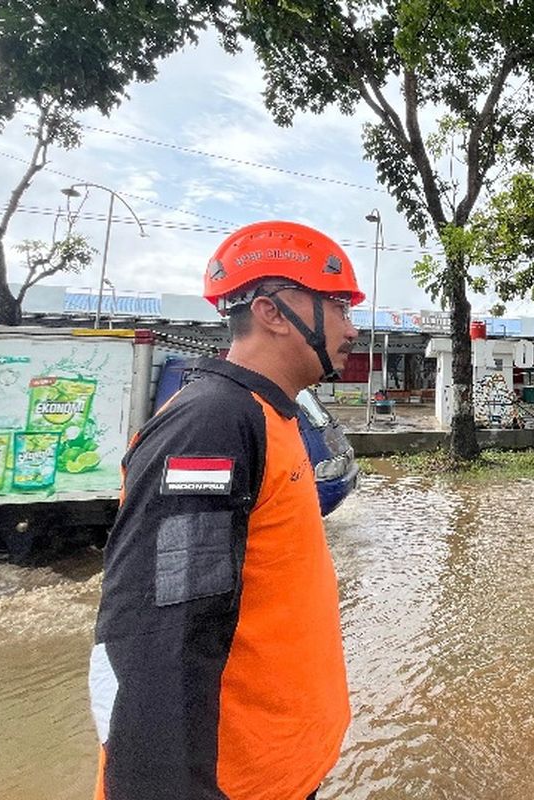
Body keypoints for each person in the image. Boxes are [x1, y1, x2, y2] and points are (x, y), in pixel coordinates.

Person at [88, 221, 362, 799]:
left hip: (280, 769)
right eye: (338, 306)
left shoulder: (274, 414)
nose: (352, 328)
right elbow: (159, 635)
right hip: (235, 784)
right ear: (273, 312)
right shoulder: (211, 424)